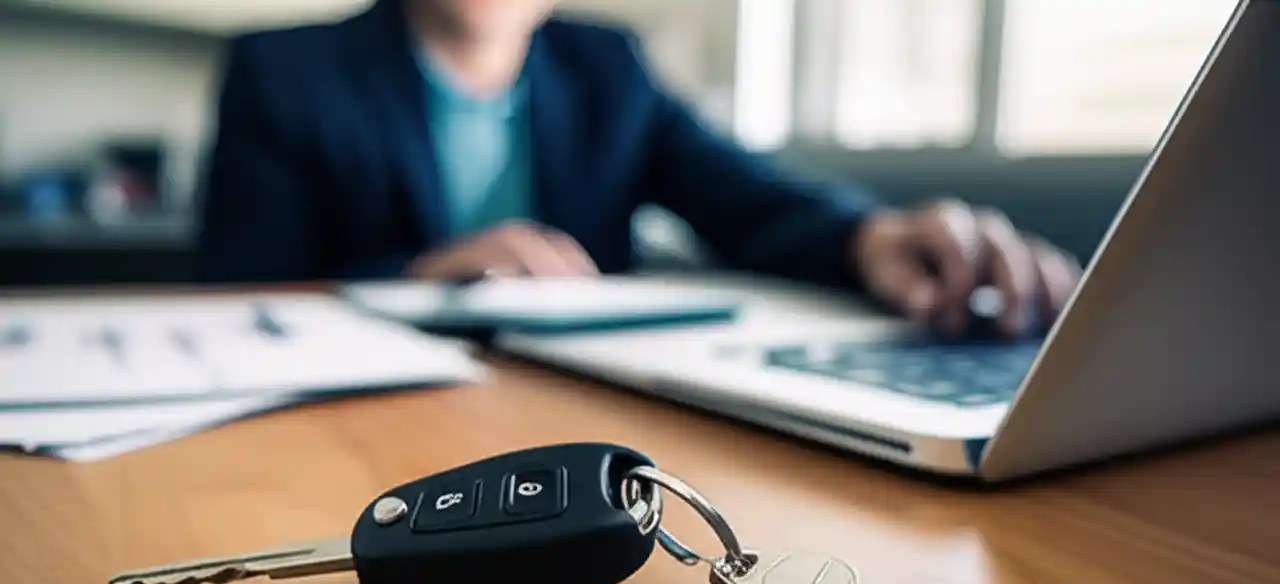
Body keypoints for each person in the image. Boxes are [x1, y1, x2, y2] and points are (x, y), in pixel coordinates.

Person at [199, 0, 1080, 338]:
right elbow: (241, 290)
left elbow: (742, 196)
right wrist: (423, 276)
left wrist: (870, 236)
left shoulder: (608, 67)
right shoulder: (285, 71)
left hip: (589, 421)